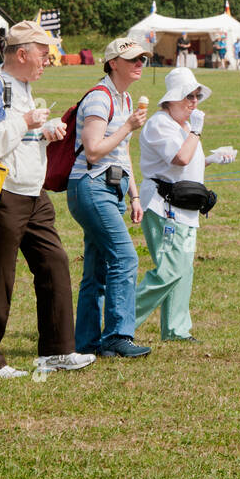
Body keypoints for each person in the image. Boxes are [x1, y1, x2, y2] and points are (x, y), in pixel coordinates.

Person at [0, 20, 95, 378]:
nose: (48, 61)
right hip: (4, 193)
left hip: (33, 193)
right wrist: (25, 122)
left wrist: (43, 131)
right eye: (43, 54)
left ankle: (56, 352)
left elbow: (18, 136)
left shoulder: (22, 86)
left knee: (55, 263)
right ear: (21, 54)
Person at [135, 70, 236, 342]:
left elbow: (189, 162)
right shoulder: (160, 124)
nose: (194, 101)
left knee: (184, 269)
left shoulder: (183, 126)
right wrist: (197, 130)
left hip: (187, 207)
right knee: (169, 270)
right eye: (188, 96)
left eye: (197, 96)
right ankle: (121, 322)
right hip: (164, 205)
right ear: (171, 100)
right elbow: (179, 159)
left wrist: (213, 159)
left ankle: (176, 329)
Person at [66, 38, 150, 359]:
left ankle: (87, 343)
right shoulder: (100, 99)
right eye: (132, 59)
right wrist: (128, 126)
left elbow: (123, 151)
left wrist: (135, 196)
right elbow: (93, 149)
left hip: (111, 188)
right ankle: (117, 336)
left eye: (142, 58)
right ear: (113, 63)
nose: (139, 63)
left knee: (97, 268)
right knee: (125, 258)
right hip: (90, 186)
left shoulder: (125, 99)